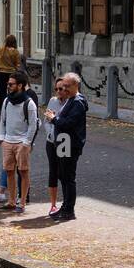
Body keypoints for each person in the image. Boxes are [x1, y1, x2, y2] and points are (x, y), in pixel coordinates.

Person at [45, 71, 87, 221]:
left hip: (70, 144)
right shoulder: (71, 99)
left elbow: (68, 124)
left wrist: (53, 119)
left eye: (67, 86)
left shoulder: (78, 102)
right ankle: (65, 206)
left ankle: (69, 210)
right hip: (63, 142)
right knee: (62, 175)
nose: (65, 89)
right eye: (63, 86)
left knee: (68, 177)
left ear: (76, 85)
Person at [0, 69, 38, 214]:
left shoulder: (29, 104)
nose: (8, 86)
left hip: (22, 142)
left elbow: (34, 125)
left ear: (20, 85)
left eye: (11, 84)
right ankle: (11, 201)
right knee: (9, 172)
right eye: (8, 84)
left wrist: (26, 143)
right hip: (8, 141)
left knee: (23, 172)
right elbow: (2, 120)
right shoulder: (7, 101)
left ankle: (22, 202)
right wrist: (2, 138)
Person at [43, 76, 67, 217]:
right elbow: (46, 121)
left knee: (64, 172)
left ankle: (66, 203)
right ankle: (53, 205)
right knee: (53, 171)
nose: (58, 91)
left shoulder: (71, 103)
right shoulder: (53, 101)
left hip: (65, 142)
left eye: (61, 89)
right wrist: (52, 134)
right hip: (51, 141)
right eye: (56, 89)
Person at [0, 34, 21, 110]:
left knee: (2, 95)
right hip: (11, 75)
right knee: (12, 94)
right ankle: (10, 112)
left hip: (0, 74)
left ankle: (2, 114)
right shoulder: (15, 52)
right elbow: (18, 64)